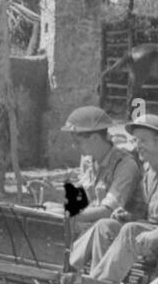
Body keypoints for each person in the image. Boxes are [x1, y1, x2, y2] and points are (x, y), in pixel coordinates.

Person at [81, 114, 158, 284]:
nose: (137, 146)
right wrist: (130, 216)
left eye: (142, 140)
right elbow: (149, 213)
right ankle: (95, 283)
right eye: (134, 140)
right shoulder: (146, 171)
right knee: (105, 226)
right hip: (153, 237)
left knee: (131, 230)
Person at [60, 106, 144, 270]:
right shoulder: (87, 161)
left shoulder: (125, 165)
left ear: (94, 139)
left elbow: (107, 211)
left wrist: (68, 215)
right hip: (90, 228)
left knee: (100, 226)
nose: (73, 146)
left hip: (119, 232)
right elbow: (79, 202)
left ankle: (64, 267)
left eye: (77, 141)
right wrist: (59, 209)